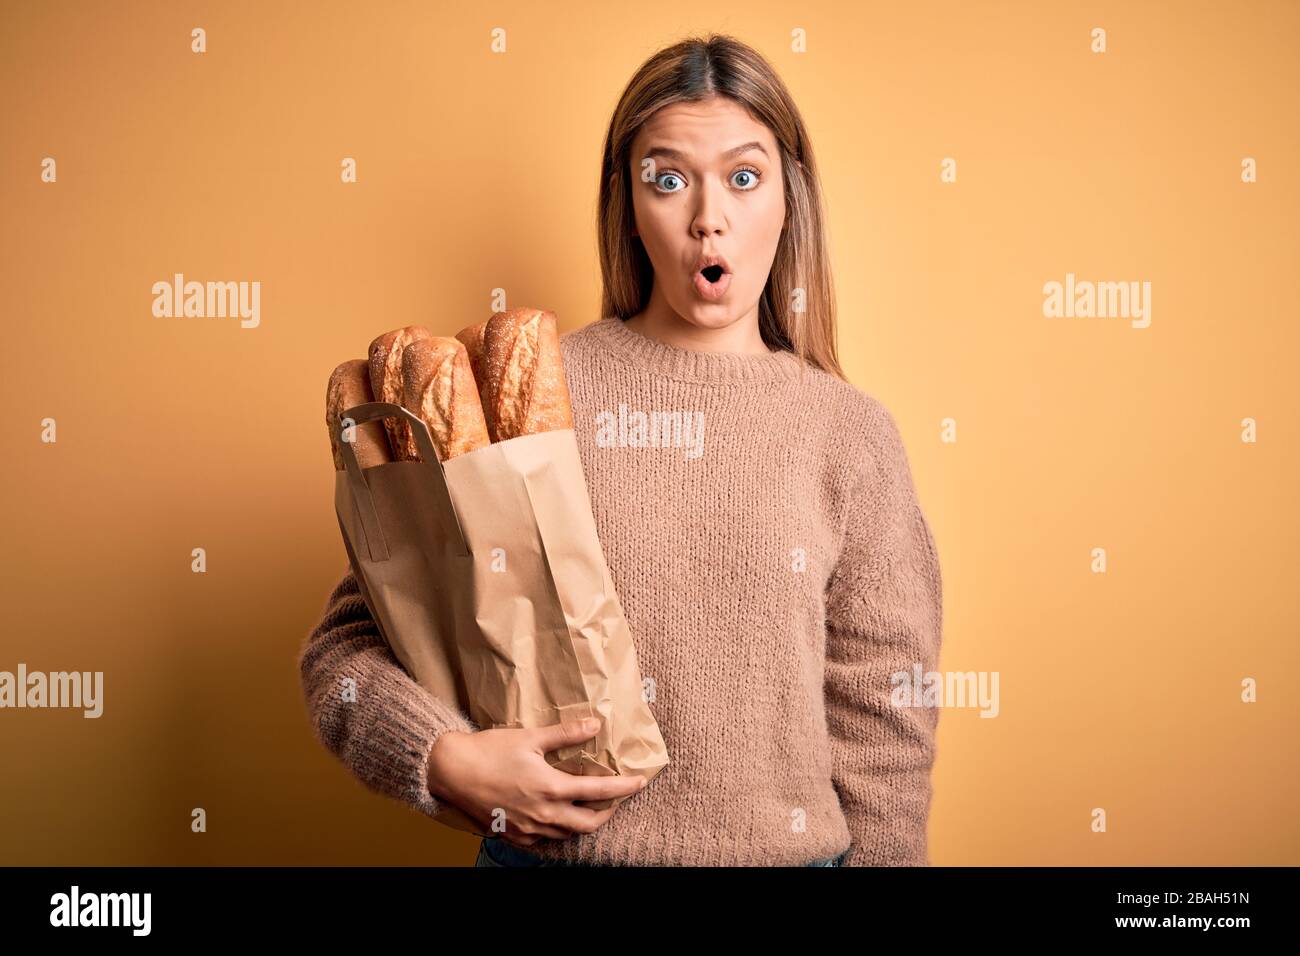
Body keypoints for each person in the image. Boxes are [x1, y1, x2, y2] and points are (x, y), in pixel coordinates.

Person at [300, 32, 943, 868]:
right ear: (628, 206)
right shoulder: (529, 399)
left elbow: (886, 724)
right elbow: (346, 648)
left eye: (744, 178)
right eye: (668, 179)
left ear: (789, 201)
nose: (708, 217)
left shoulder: (849, 434)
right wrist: (442, 759)